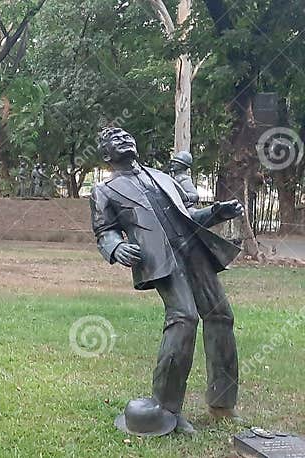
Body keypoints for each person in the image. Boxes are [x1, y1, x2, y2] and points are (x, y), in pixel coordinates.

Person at [91, 127, 244, 435]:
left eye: (126, 135)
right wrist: (116, 247)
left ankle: (222, 404)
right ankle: (167, 410)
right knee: (184, 318)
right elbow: (104, 230)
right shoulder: (103, 191)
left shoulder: (162, 177)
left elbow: (189, 216)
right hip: (160, 260)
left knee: (221, 316)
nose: (124, 139)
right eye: (115, 139)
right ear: (106, 155)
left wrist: (216, 212)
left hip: (194, 251)